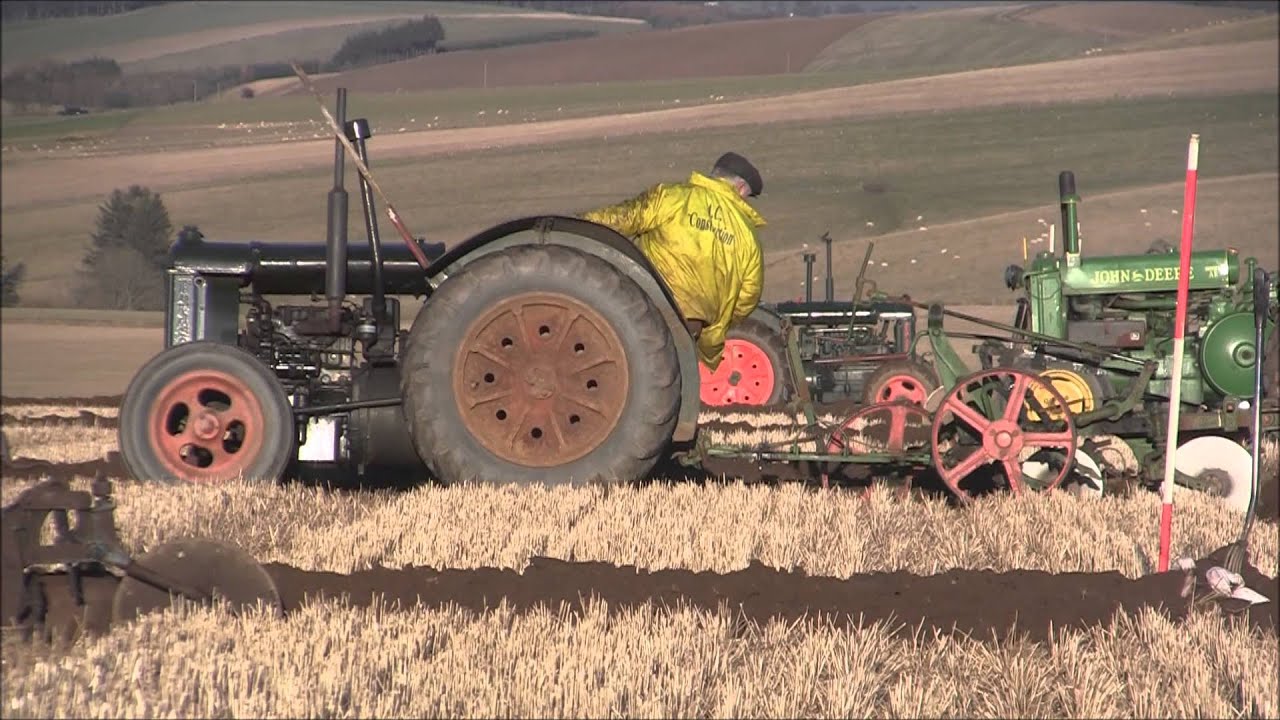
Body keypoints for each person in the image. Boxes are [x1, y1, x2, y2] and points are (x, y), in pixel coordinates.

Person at [579, 152, 767, 372]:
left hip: (643, 309)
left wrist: (577, 225)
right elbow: (747, 297)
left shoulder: (672, 197)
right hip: (692, 326)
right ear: (741, 188)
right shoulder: (748, 235)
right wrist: (716, 324)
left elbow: (623, 219)